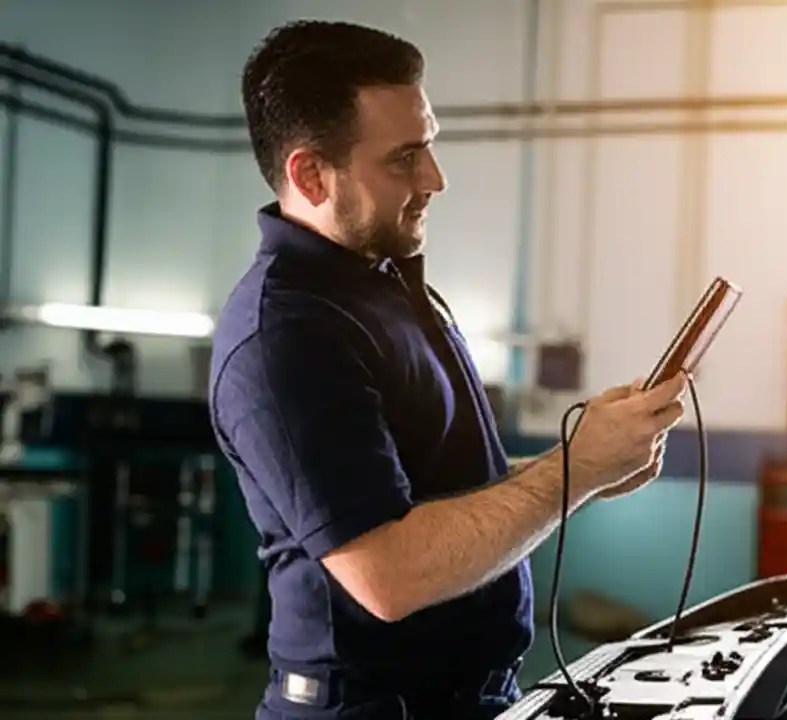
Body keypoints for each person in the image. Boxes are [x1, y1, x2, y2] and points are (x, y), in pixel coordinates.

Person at [208, 20, 686, 719]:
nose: (435, 178)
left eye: (429, 145)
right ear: (310, 173)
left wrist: (586, 464)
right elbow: (385, 572)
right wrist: (574, 471)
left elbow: (445, 495)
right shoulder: (287, 333)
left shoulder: (384, 285)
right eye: (404, 158)